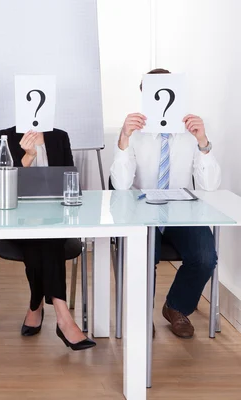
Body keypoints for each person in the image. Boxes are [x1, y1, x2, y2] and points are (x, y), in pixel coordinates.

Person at [110, 68, 221, 338]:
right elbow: (121, 185)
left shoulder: (190, 132)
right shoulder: (135, 132)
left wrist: (203, 142)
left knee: (206, 257)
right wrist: (124, 138)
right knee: (144, 255)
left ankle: (175, 307)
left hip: (181, 211)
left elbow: (210, 186)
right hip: (142, 211)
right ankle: (140, 314)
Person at [0, 126, 96, 351]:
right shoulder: (6, 136)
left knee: (46, 236)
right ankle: (64, 319)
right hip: (17, 219)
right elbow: (0, 185)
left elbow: (71, 181)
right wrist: (27, 157)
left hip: (55, 219)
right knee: (38, 235)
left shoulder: (59, 136)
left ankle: (36, 306)